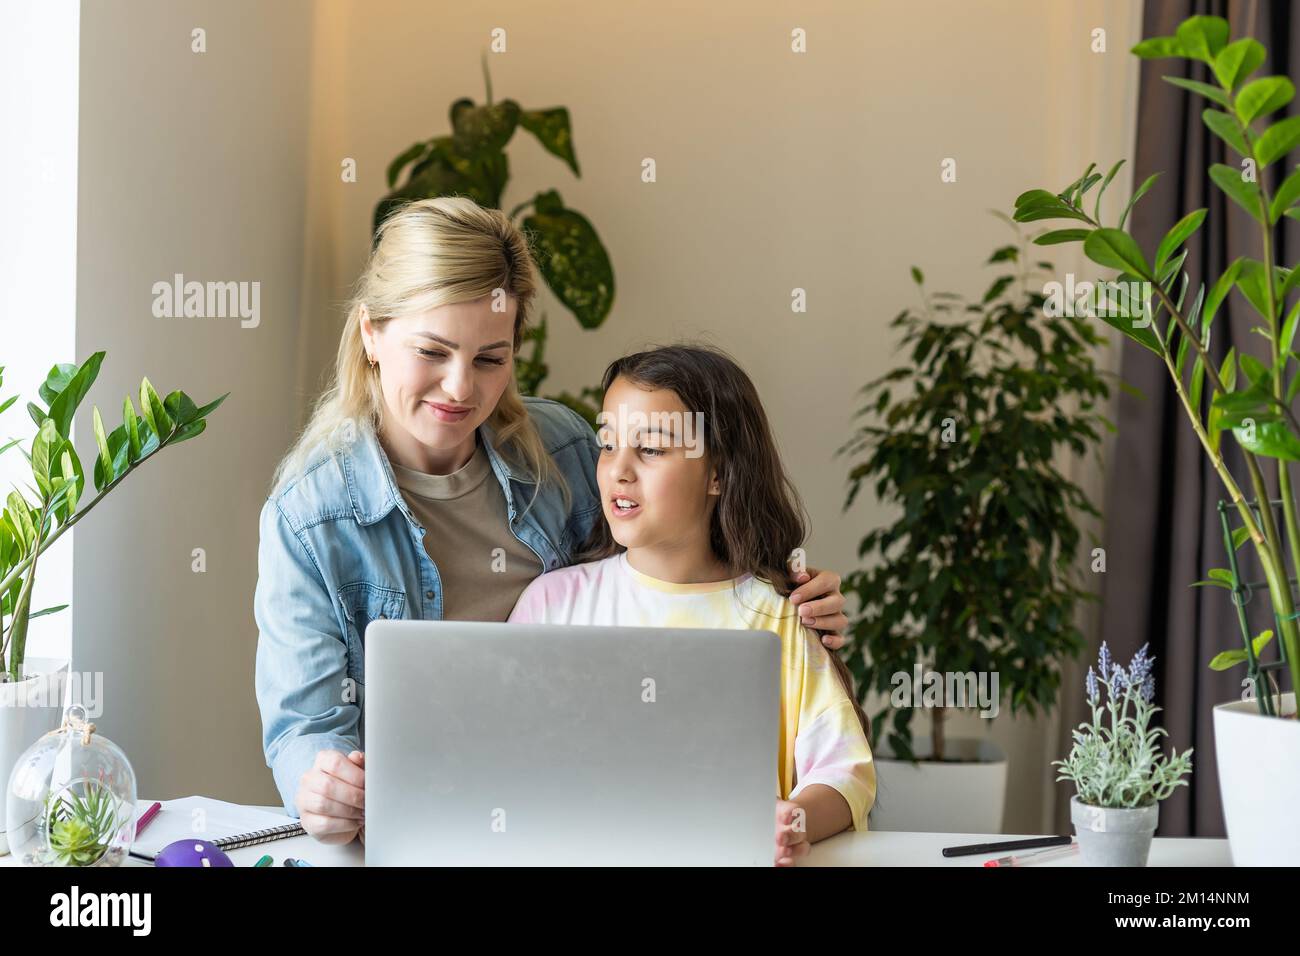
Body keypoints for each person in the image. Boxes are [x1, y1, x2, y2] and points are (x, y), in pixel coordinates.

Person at [253, 196, 851, 846]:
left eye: (490, 358)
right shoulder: (310, 515)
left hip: (573, 822)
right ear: (372, 333)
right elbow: (303, 730)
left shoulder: (564, 448)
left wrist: (785, 585)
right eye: (432, 350)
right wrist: (324, 791)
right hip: (419, 828)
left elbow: (675, 557)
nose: (460, 388)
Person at [509, 344, 876, 866]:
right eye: (608, 444)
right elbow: (508, 762)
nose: (618, 470)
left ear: (718, 474)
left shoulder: (778, 618)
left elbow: (846, 773)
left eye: (652, 450)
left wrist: (792, 821)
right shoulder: (552, 604)